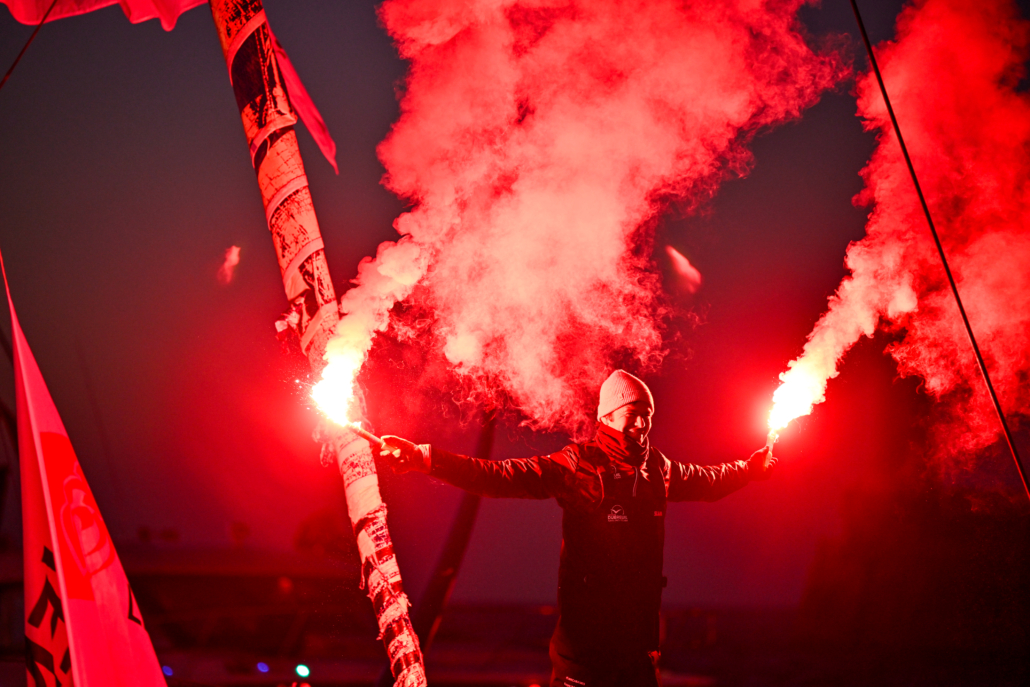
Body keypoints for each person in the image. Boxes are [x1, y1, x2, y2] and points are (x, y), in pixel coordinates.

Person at [378, 370, 776, 687]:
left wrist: (749, 470)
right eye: (633, 416)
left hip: (638, 653)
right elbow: (498, 475)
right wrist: (425, 458)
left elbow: (706, 481)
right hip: (583, 654)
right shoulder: (577, 465)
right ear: (607, 417)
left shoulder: (659, 469)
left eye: (648, 417)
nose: (642, 426)